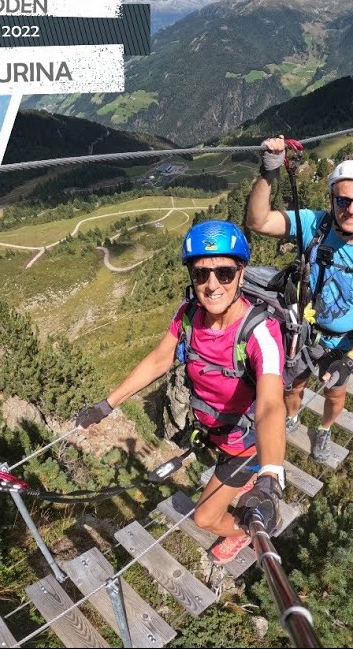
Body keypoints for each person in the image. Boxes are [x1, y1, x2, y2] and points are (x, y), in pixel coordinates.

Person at [75, 221, 286, 563]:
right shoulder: (188, 315)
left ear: (242, 274)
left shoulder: (261, 332)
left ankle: (250, 530)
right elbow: (159, 359)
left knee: (204, 518)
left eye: (225, 273)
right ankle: (245, 496)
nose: (212, 285)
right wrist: (106, 405)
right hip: (212, 432)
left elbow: (271, 407)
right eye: (201, 274)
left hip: (244, 446)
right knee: (214, 498)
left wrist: (271, 477)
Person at [245, 136, 353, 463]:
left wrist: (351, 359)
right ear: (332, 199)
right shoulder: (315, 224)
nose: (351, 209)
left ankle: (325, 429)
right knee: (293, 387)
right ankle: (292, 416)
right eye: (343, 201)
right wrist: (269, 171)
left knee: (335, 392)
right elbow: (258, 221)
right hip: (302, 332)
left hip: (341, 345)